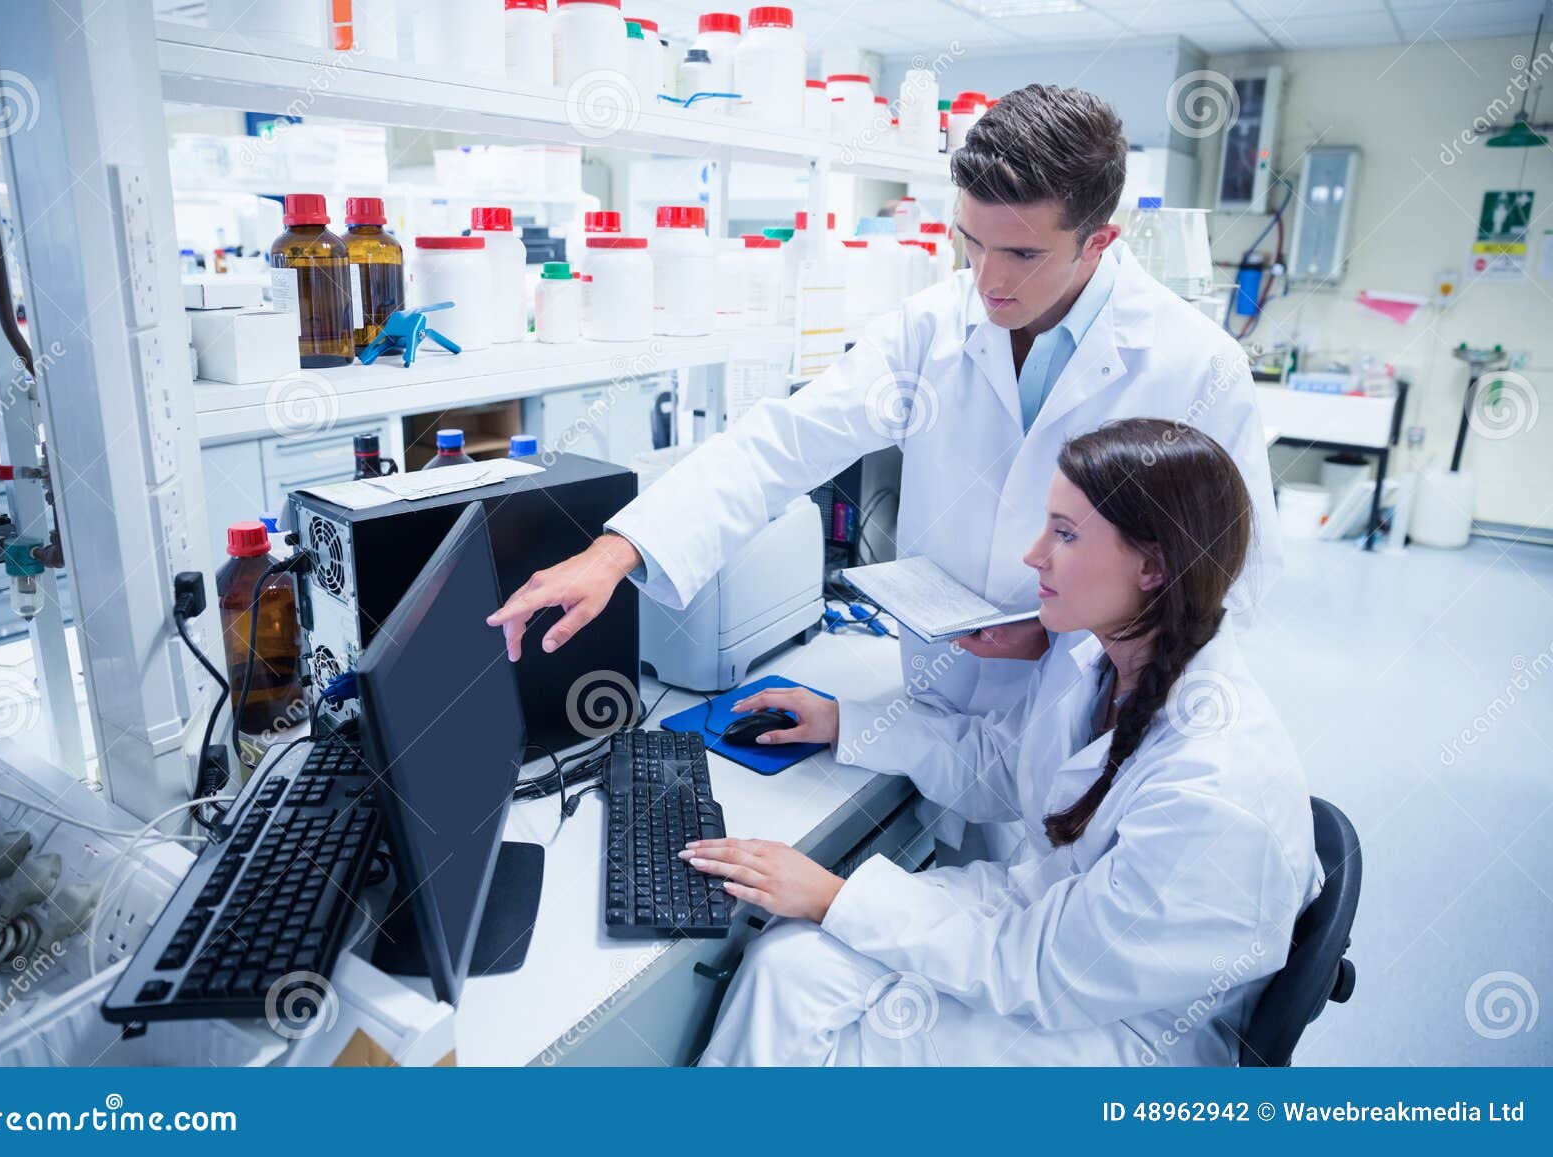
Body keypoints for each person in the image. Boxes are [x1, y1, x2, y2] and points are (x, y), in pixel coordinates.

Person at [489, 84, 1282, 862]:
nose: (988, 281)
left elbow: (1232, 585)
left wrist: (1067, 635)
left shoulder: (1192, 365)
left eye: (1022, 253)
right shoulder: (933, 326)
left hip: (1077, 730)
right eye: (970, 242)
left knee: (1020, 941)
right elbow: (784, 442)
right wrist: (619, 549)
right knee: (928, 894)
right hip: (934, 701)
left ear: (1099, 242)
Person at [684, 420, 1319, 1066]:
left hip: (1125, 1029)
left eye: (1066, 534)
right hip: (1044, 929)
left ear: (1152, 565)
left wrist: (834, 896)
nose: (1034, 553)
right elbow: (1003, 766)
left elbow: (1047, 971)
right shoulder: (1105, 662)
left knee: (841, 1038)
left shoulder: (1214, 784)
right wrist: (844, 721)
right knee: (785, 965)